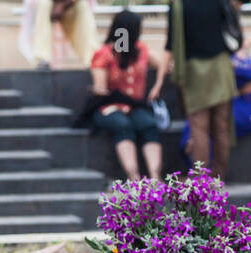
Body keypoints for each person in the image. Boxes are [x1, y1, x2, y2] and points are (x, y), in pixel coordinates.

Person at [164, 0, 238, 179]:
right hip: (221, 66)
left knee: (199, 128)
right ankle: (219, 177)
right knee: (221, 126)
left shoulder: (178, 4)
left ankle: (200, 181)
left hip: (195, 70)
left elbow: (171, 44)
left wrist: (160, 78)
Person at [88, 9, 165, 180]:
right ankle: (134, 178)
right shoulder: (105, 54)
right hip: (109, 106)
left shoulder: (141, 50)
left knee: (149, 124)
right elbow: (100, 87)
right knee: (123, 126)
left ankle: (155, 177)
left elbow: (163, 64)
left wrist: (157, 85)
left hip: (134, 105)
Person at [19, 0, 98, 69]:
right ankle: (42, 60)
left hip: (71, 4)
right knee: (43, 4)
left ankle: (93, 60)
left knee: (82, 5)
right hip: (48, 4)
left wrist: (63, 5)